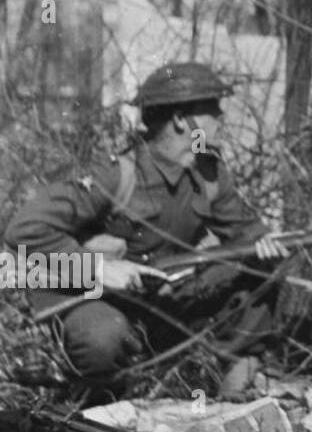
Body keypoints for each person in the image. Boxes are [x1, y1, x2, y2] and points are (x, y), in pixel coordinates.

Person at [2, 61, 288, 394]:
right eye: (212, 108)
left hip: (162, 304)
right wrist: (97, 269)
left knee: (259, 272)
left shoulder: (209, 174)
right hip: (96, 301)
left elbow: (248, 234)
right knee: (103, 336)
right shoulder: (116, 175)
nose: (221, 117)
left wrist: (267, 245)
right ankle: (91, 409)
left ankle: (233, 404)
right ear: (182, 120)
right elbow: (24, 230)